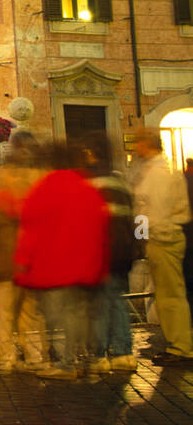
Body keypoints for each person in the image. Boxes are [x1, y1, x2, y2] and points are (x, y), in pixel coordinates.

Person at [15, 143, 109, 379]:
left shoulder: (45, 188)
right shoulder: (86, 187)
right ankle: (84, 359)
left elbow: (31, 228)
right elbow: (101, 226)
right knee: (79, 314)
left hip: (55, 268)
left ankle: (68, 363)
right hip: (85, 266)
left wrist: (22, 262)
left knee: (60, 316)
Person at [128, 129, 193, 364]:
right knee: (169, 294)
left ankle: (181, 347)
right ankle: (179, 344)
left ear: (147, 145)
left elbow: (147, 210)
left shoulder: (156, 174)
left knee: (169, 296)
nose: (135, 148)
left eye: (138, 143)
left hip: (162, 238)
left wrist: (140, 237)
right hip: (167, 235)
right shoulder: (164, 170)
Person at [0, 131, 47, 372]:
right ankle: (36, 357)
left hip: (6, 258)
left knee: (3, 315)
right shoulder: (40, 179)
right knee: (31, 313)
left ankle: (5, 360)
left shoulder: (2, 182)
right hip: (33, 256)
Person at [80, 133, 137, 373]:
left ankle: (100, 354)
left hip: (101, 249)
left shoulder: (91, 182)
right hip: (122, 250)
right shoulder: (119, 181)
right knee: (115, 300)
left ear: (92, 154)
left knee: (99, 303)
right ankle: (123, 352)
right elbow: (132, 216)